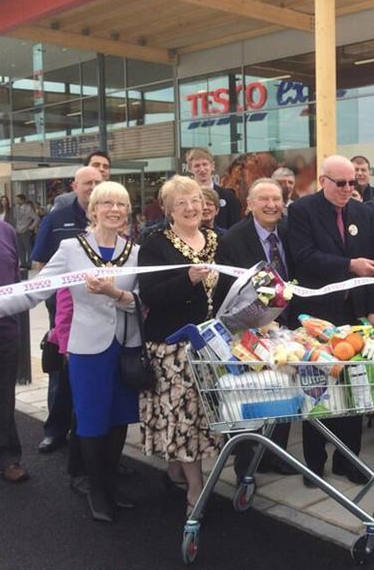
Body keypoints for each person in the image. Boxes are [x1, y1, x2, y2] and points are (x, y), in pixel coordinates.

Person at [0, 181, 141, 522]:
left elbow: (140, 304)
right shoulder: (72, 248)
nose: (115, 210)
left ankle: (111, 485)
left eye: (121, 204)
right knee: (91, 419)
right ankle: (97, 491)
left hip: (124, 346)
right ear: (93, 210)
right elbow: (36, 289)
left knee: (119, 419)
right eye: (107, 204)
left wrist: (118, 295)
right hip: (88, 349)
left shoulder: (134, 251)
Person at [287, 155, 374, 485]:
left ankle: (348, 459)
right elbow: (304, 258)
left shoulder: (363, 213)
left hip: (352, 314)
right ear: (323, 181)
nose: (346, 189)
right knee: (317, 389)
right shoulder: (302, 211)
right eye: (340, 183)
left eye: (352, 183)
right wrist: (349, 265)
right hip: (317, 314)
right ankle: (315, 462)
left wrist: (371, 310)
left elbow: (372, 264)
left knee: (352, 388)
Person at [137, 175, 224, 519]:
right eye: (181, 203)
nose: (191, 208)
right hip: (173, 346)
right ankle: (195, 489)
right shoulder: (154, 244)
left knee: (202, 416)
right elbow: (151, 295)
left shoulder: (218, 239)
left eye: (196, 200)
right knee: (184, 419)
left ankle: (176, 471)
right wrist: (187, 279)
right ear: (168, 210)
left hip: (211, 344)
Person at [216, 178, 298, 478]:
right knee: (253, 394)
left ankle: (276, 454)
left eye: (276, 199)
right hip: (249, 329)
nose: (271, 205)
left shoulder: (290, 232)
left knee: (284, 386)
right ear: (249, 204)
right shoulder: (233, 239)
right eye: (263, 199)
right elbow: (227, 289)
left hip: (287, 326)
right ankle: (246, 463)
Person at [31, 166, 103, 457]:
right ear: (75, 185)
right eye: (88, 182)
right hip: (62, 310)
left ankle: (84, 433)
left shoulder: (113, 219)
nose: (93, 186)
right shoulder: (56, 219)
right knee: (61, 375)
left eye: (99, 181)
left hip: (99, 312)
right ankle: (55, 431)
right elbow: (39, 264)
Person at [0, 189, 29, 484]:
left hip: (3, 330)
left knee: (2, 398)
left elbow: (15, 279)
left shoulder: (6, 231)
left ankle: (7, 458)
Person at [186, 147, 243, 230]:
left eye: (205, 164)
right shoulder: (186, 197)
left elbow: (236, 228)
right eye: (197, 166)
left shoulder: (228, 196)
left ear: (212, 166)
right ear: (190, 169)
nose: (202, 169)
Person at [13, 193, 40, 269]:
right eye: (16, 199)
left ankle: (29, 264)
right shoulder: (16, 209)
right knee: (20, 248)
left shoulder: (28, 209)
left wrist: (31, 227)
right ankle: (23, 263)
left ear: (22, 200)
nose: (16, 201)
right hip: (17, 230)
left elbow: (37, 218)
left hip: (25, 230)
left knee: (28, 248)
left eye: (18, 200)